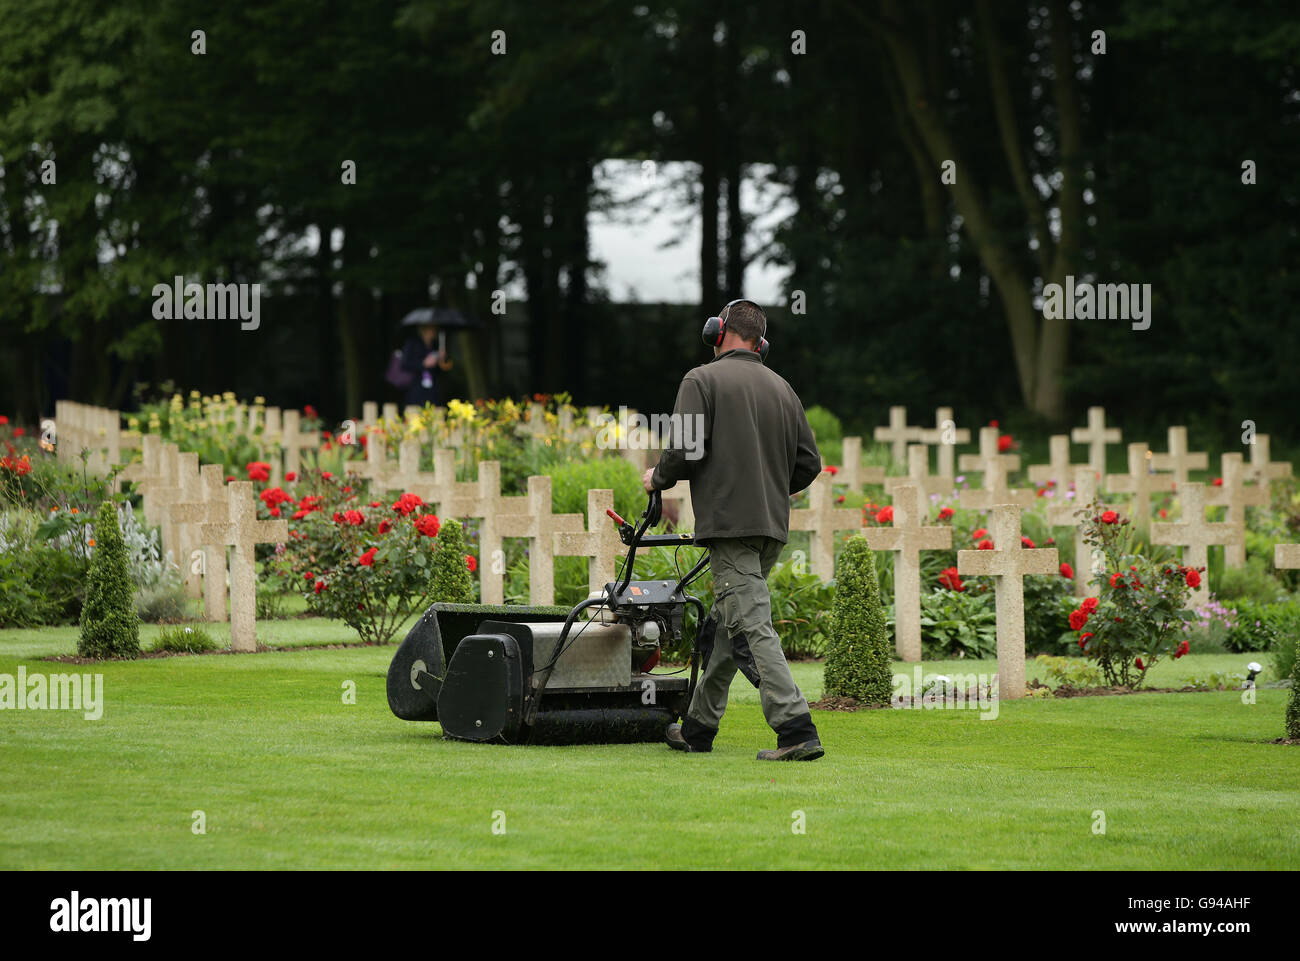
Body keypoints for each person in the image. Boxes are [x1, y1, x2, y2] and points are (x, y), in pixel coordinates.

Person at [642, 299, 825, 761]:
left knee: (751, 626)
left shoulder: (700, 380)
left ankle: (796, 727)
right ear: (760, 342)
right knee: (730, 624)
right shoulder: (783, 388)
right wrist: (772, 490)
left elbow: (683, 449)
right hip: (770, 529)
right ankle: (698, 728)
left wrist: (657, 478)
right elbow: (809, 463)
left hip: (730, 527)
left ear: (717, 331)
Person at [400, 322, 452, 406]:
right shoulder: (413, 343)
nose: (434, 331)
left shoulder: (436, 345)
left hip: (432, 388)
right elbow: (404, 364)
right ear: (424, 329)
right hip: (415, 387)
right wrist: (423, 363)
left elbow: (442, 369)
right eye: (432, 328)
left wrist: (442, 359)